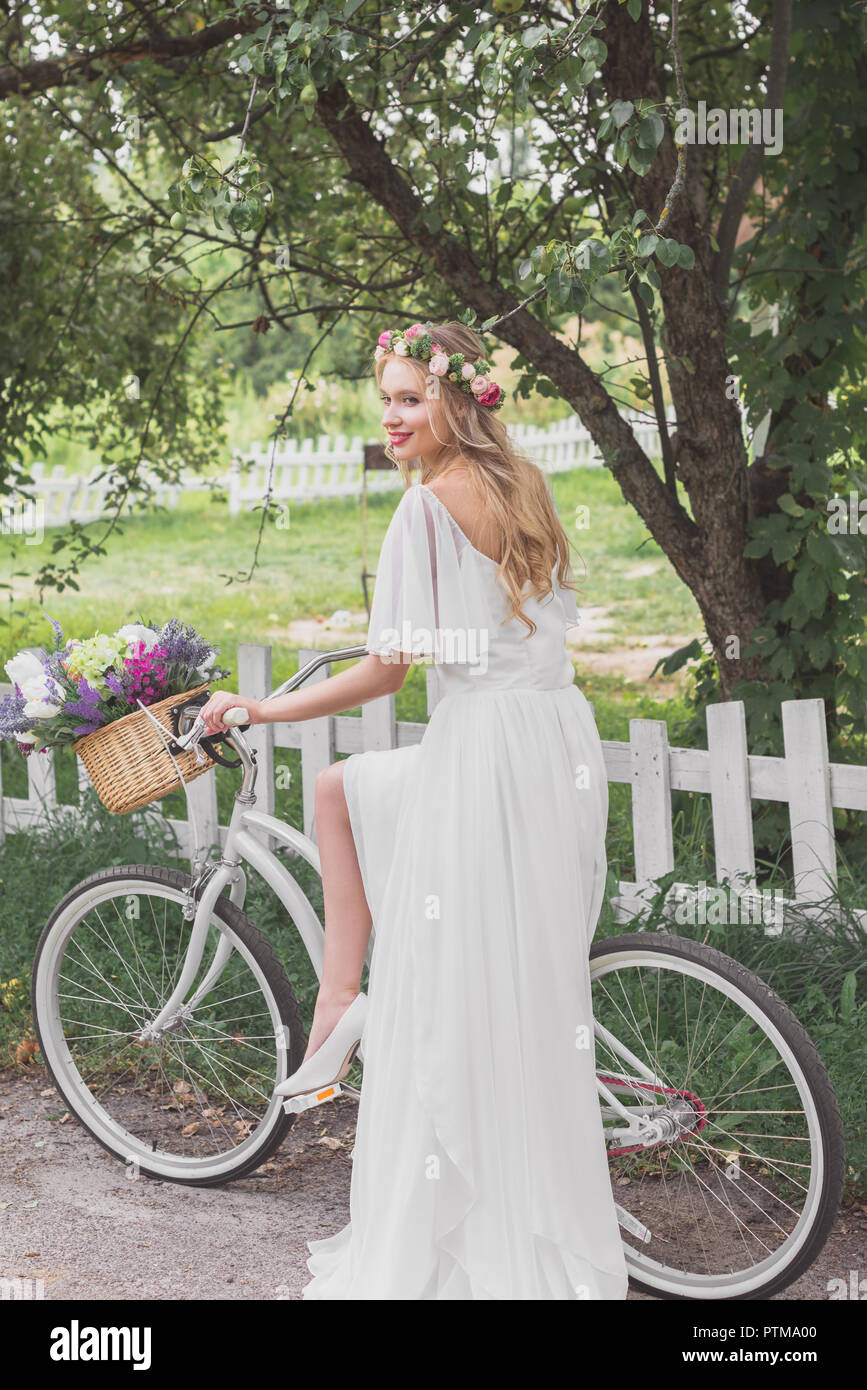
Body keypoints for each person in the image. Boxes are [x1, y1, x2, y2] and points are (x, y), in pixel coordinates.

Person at [199, 319, 629, 1300]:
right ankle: (349, 997)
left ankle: (346, 999)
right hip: (554, 737)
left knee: (448, 965)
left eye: (406, 398)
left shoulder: (427, 508)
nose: (391, 417)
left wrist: (260, 703)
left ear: (454, 400)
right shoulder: (524, 483)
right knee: (355, 802)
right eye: (383, 400)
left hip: (482, 751)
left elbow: (386, 676)